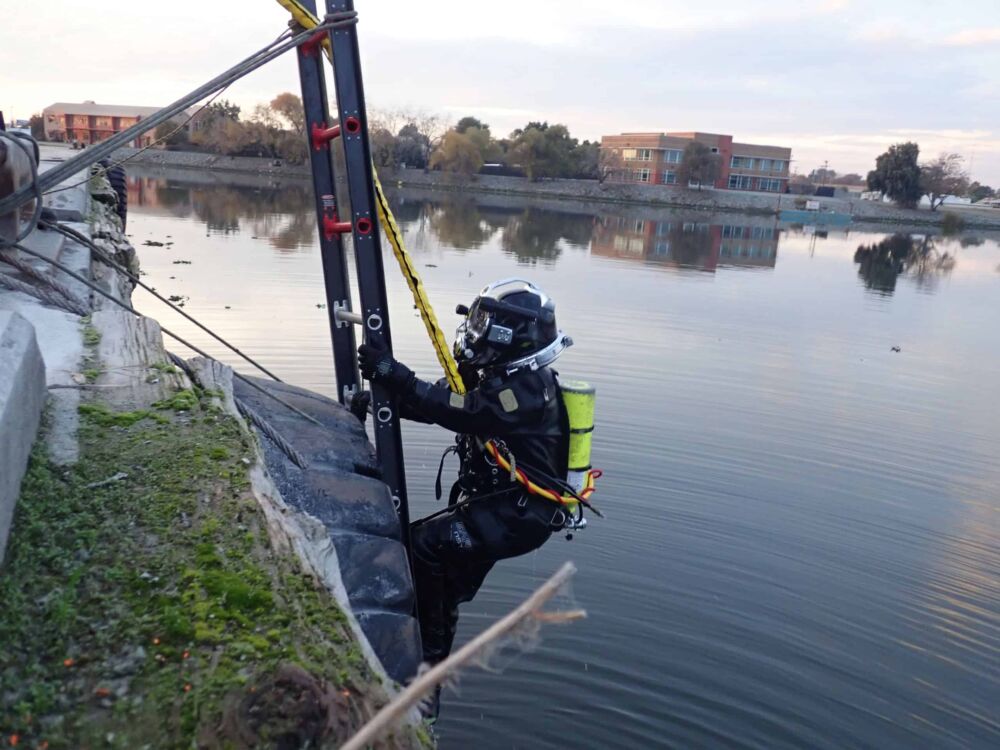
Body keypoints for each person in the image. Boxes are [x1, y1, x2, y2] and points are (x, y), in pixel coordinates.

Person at [357, 278, 573, 714]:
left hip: (519, 515)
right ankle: (424, 669)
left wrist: (395, 376)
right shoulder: (499, 377)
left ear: (512, 335)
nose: (476, 331)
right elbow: (442, 405)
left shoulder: (527, 389)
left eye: (486, 323)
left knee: (422, 548)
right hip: (495, 506)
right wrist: (383, 400)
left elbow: (467, 412)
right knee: (445, 586)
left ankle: (425, 680)